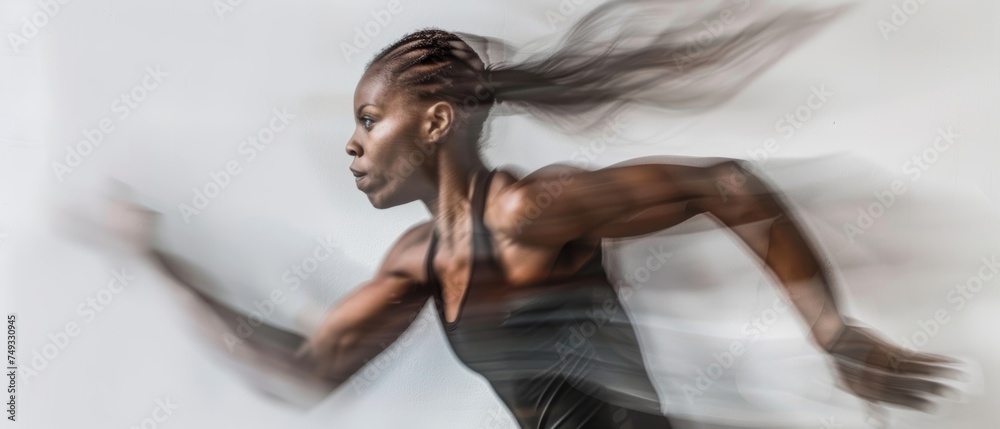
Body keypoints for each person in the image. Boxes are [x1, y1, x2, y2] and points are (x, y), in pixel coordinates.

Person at [153, 1, 959, 427]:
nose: (353, 145)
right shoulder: (418, 259)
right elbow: (314, 366)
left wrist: (830, 330)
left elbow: (727, 183)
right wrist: (165, 263)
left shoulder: (535, 210)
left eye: (369, 119)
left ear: (434, 122)